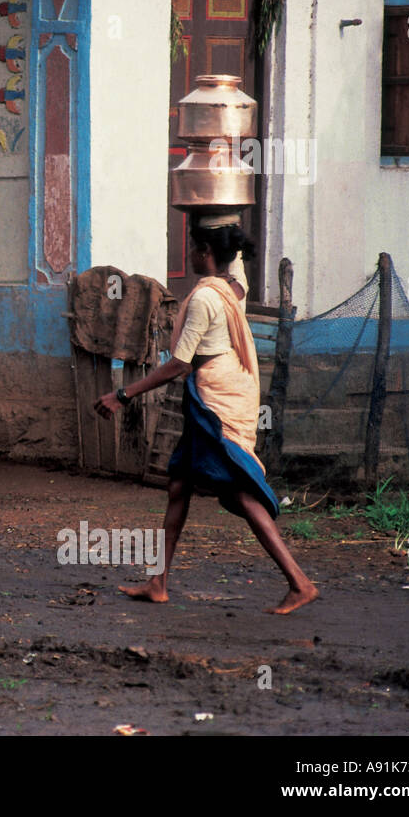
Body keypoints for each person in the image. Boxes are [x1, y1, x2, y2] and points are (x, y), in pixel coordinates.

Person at [94, 219, 317, 614]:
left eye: (195, 247)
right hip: (224, 386)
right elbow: (239, 269)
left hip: (216, 397)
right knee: (179, 485)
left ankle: (298, 582)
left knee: (238, 491)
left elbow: (178, 365)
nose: (191, 254)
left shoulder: (205, 299)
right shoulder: (232, 287)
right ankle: (158, 582)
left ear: (205, 253)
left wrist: (123, 394)